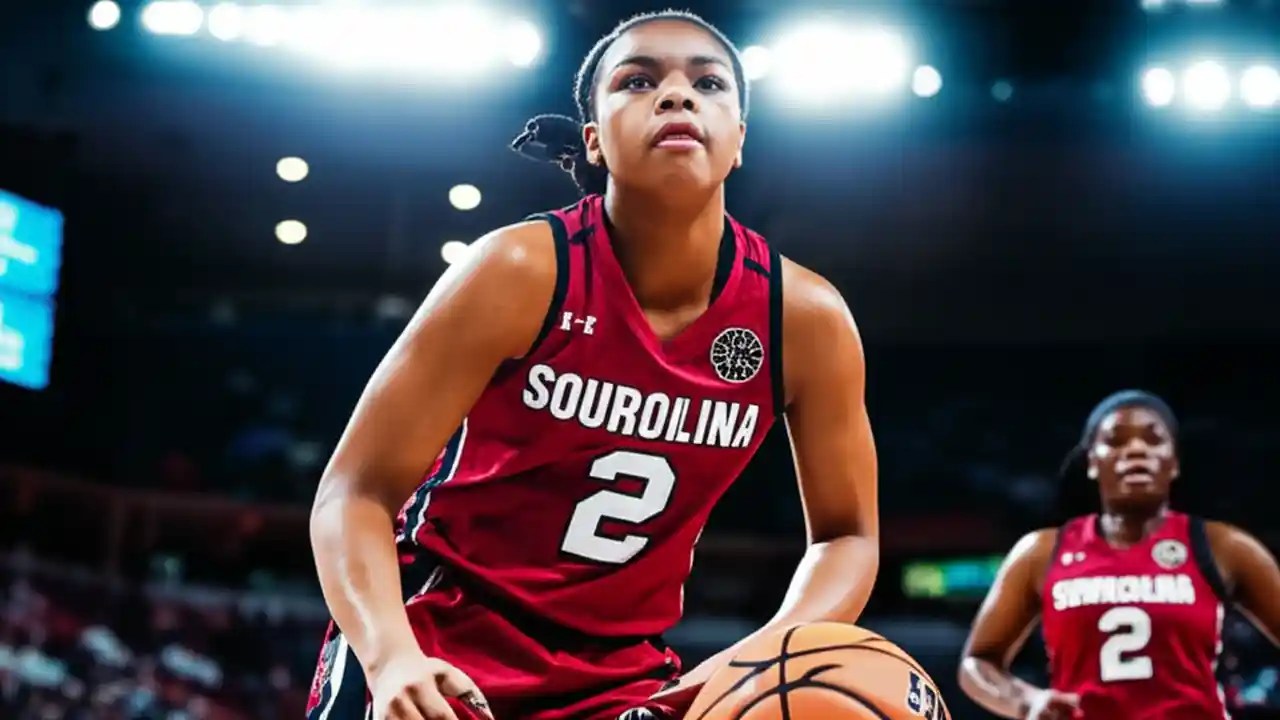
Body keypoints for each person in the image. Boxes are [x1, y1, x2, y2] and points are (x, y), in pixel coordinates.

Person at [306, 10, 880, 720]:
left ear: (739, 141)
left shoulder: (804, 317)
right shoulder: (517, 270)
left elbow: (847, 535)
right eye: (638, 81)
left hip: (621, 677)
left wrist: (768, 650)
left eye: (708, 82)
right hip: (438, 635)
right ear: (594, 142)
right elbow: (354, 493)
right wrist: (390, 654)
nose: (678, 95)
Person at [958, 390, 1280, 719]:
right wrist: (1025, 702)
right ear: (1092, 462)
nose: (1137, 449)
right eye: (1116, 440)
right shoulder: (1041, 552)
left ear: (1174, 462)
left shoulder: (1224, 546)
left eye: (1154, 440)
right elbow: (978, 661)